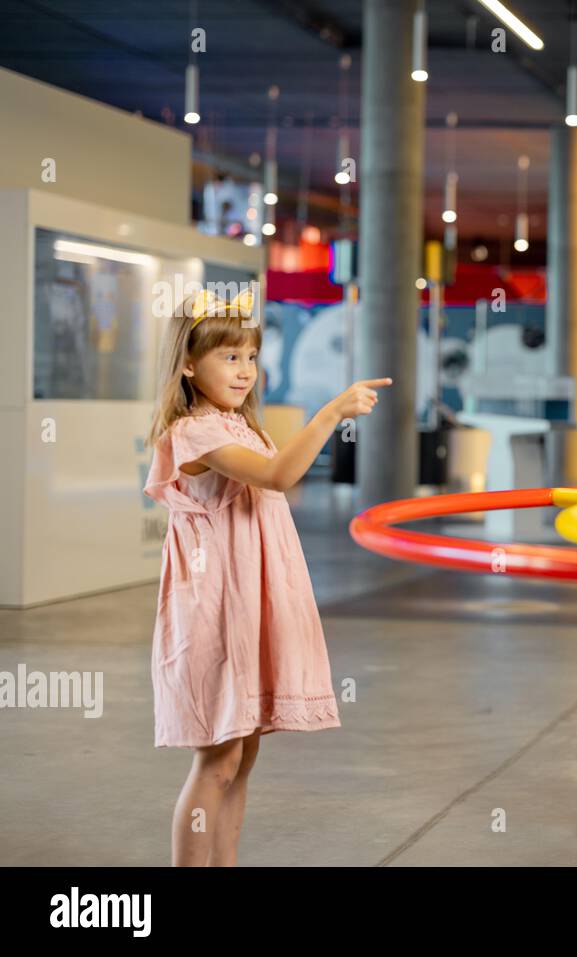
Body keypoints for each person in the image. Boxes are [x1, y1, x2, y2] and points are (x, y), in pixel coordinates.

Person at [143, 290, 390, 866]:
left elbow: (276, 479)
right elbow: (279, 476)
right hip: (215, 607)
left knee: (242, 757)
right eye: (228, 358)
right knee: (217, 760)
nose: (245, 371)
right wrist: (330, 413)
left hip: (249, 601)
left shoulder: (237, 425)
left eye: (251, 357)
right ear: (187, 363)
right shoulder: (195, 432)